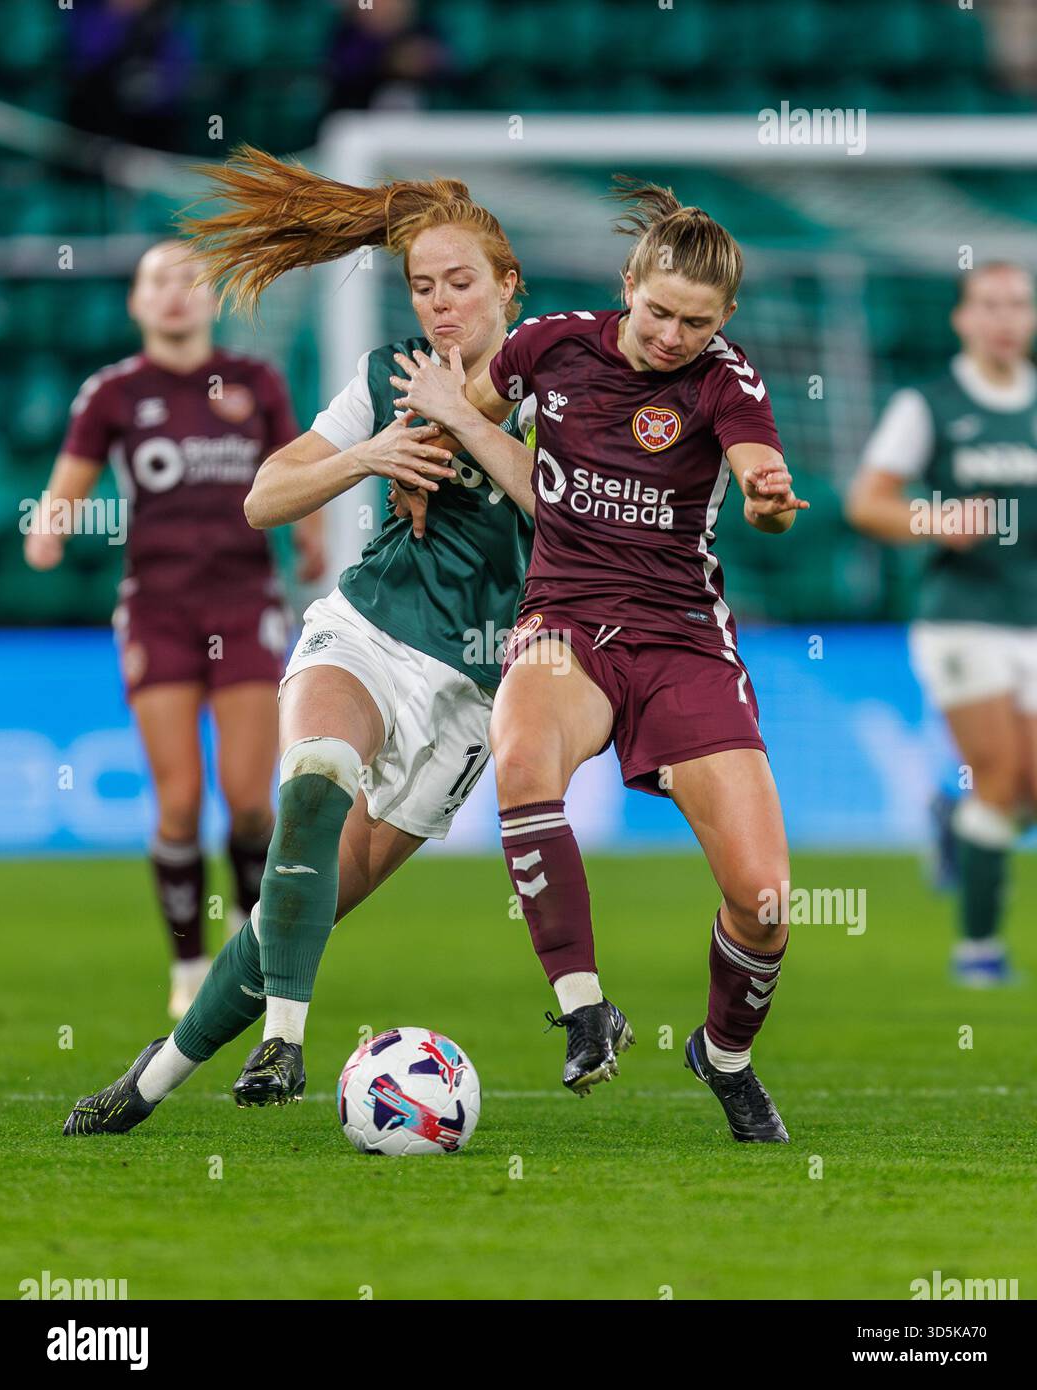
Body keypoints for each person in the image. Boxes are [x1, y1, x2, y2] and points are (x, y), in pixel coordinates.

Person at [62, 150, 535, 1136]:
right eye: (422, 286)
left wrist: (463, 423)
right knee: (315, 776)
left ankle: (151, 1077)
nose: (440, 305)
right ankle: (284, 1035)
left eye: (459, 283)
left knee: (300, 906)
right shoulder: (386, 375)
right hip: (365, 629)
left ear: (508, 286)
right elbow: (264, 495)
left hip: (469, 688)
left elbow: (568, 518)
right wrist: (369, 454)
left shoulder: (561, 388)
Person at [391, 178, 808, 1143]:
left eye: (697, 323)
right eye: (658, 312)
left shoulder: (727, 382)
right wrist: (420, 451)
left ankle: (724, 1056)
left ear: (725, 318)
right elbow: (466, 417)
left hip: (681, 638)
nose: (672, 336)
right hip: (564, 618)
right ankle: (585, 1010)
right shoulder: (551, 346)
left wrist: (768, 498)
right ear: (629, 285)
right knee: (523, 759)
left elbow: (760, 479)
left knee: (764, 902)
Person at [26, 239, 321, 1019]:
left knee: (251, 801)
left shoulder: (256, 381)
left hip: (245, 602)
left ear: (213, 300)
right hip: (158, 610)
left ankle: (251, 954)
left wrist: (313, 539)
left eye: (192, 279)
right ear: (136, 301)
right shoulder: (114, 392)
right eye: (159, 280)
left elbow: (298, 471)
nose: (175, 292)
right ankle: (189, 966)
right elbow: (66, 486)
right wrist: (49, 528)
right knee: (181, 802)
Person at [848, 262, 1037, 987]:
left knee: (1024, 793)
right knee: (1000, 780)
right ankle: (979, 953)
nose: (1005, 319)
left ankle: (953, 821)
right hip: (962, 618)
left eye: (1017, 304)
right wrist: (935, 518)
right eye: (989, 304)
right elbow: (868, 502)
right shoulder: (929, 403)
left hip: (1028, 614)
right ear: (962, 318)